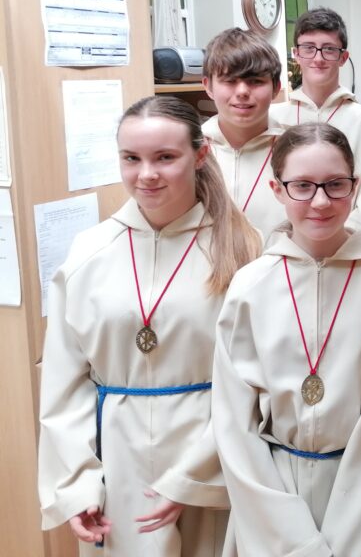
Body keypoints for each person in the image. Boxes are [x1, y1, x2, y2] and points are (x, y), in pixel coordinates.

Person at [38, 96, 262, 556]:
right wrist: (77, 485)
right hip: (117, 462)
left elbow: (253, 383)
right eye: (131, 158)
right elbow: (64, 386)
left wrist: (191, 478)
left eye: (165, 157)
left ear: (200, 156)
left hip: (213, 457)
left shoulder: (241, 249)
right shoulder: (89, 252)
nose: (147, 174)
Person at [213, 122, 361, 556]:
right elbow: (234, 427)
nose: (321, 202)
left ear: (357, 185)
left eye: (335, 185)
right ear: (276, 188)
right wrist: (290, 538)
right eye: (303, 187)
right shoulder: (250, 285)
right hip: (273, 498)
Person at [269, 7, 361, 232]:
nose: (318, 58)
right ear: (296, 54)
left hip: (345, 244)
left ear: (343, 58)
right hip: (287, 243)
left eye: (329, 49)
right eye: (309, 48)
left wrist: (341, 244)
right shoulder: (275, 117)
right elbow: (274, 192)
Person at [202, 27, 286, 238]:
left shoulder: (297, 150)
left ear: (276, 87)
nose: (242, 92)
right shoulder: (188, 150)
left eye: (255, 81)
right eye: (229, 80)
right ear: (208, 86)